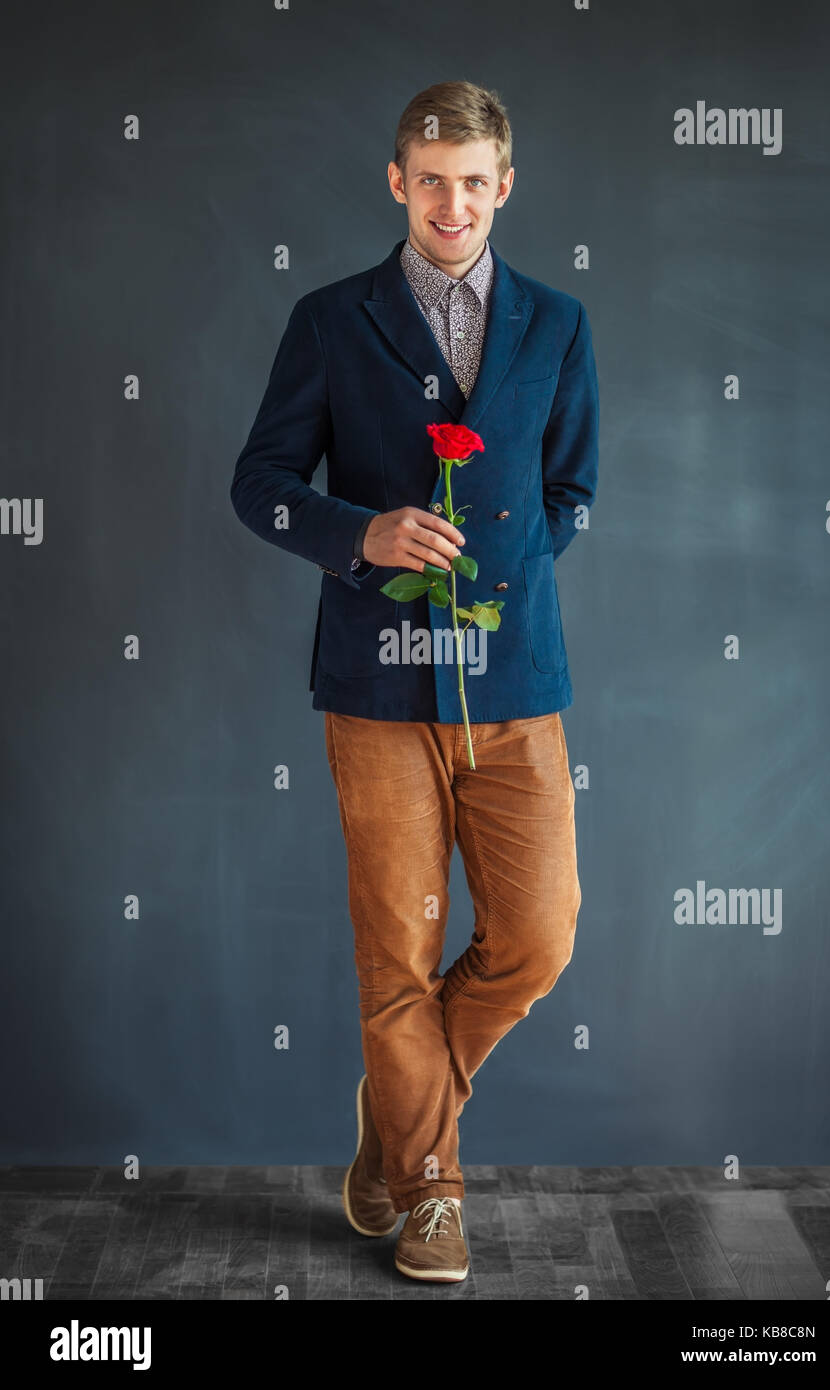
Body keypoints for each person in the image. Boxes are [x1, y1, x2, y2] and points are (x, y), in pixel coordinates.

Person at [230, 80, 599, 1284]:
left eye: (473, 179)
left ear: (504, 185)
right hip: (375, 690)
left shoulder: (556, 323)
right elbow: (261, 482)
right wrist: (362, 536)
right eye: (429, 179)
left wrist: (502, 571)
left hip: (513, 679)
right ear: (398, 182)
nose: (451, 201)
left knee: (537, 938)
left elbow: (569, 489)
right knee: (395, 951)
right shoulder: (329, 319)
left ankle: (395, 1110)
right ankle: (429, 1187)